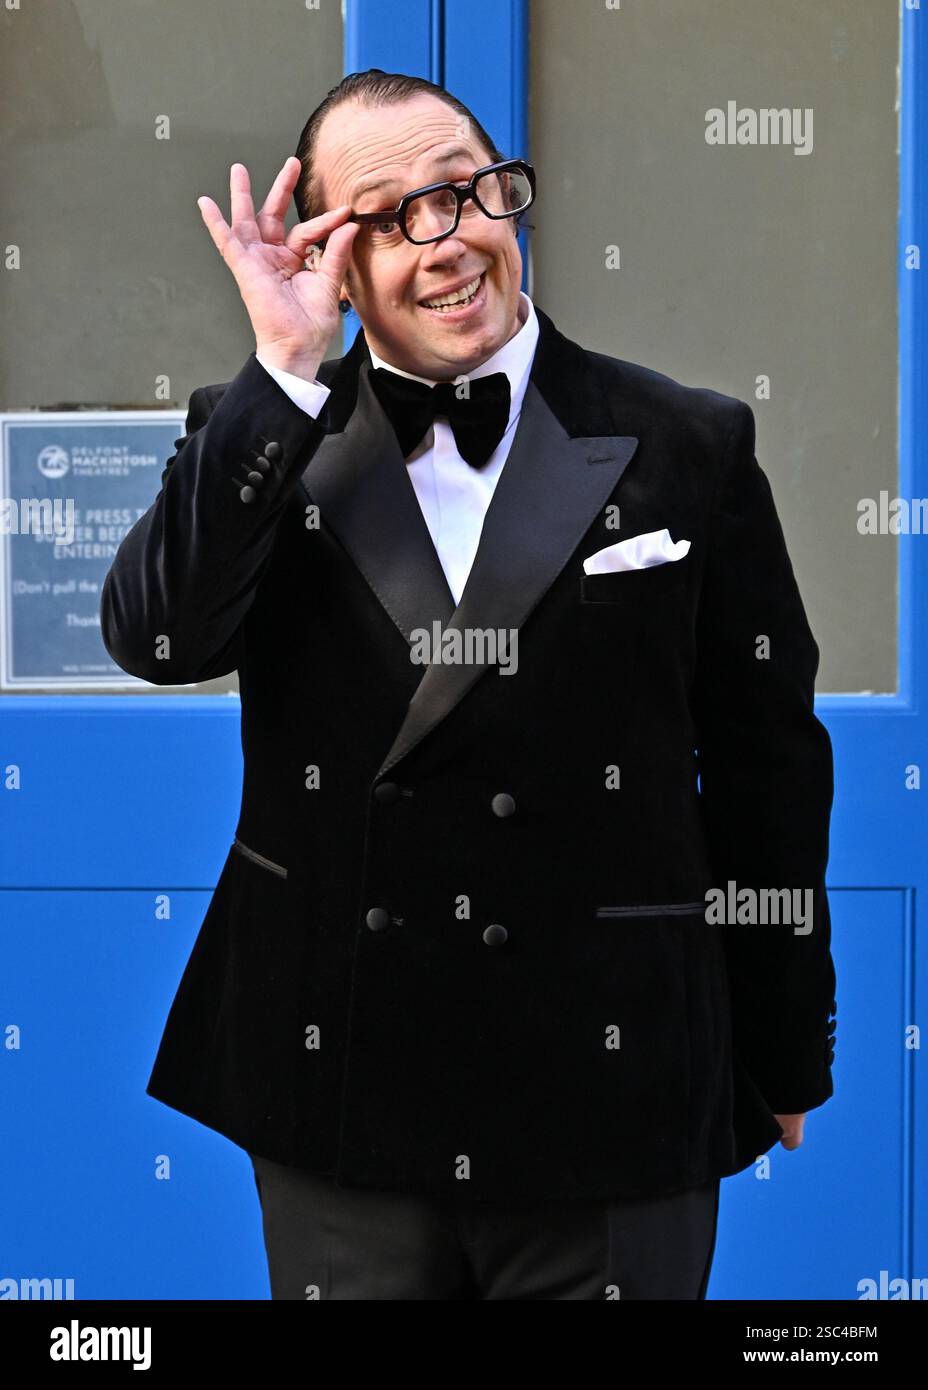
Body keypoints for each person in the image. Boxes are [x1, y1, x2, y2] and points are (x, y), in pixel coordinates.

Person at [100, 69, 838, 1300]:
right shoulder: (266, 433)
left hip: (613, 1083)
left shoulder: (687, 440)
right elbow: (158, 640)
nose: (444, 242)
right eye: (390, 216)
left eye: (466, 193)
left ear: (510, 200)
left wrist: (781, 1039)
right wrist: (284, 364)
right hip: (340, 1075)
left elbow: (767, 760)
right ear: (327, 253)